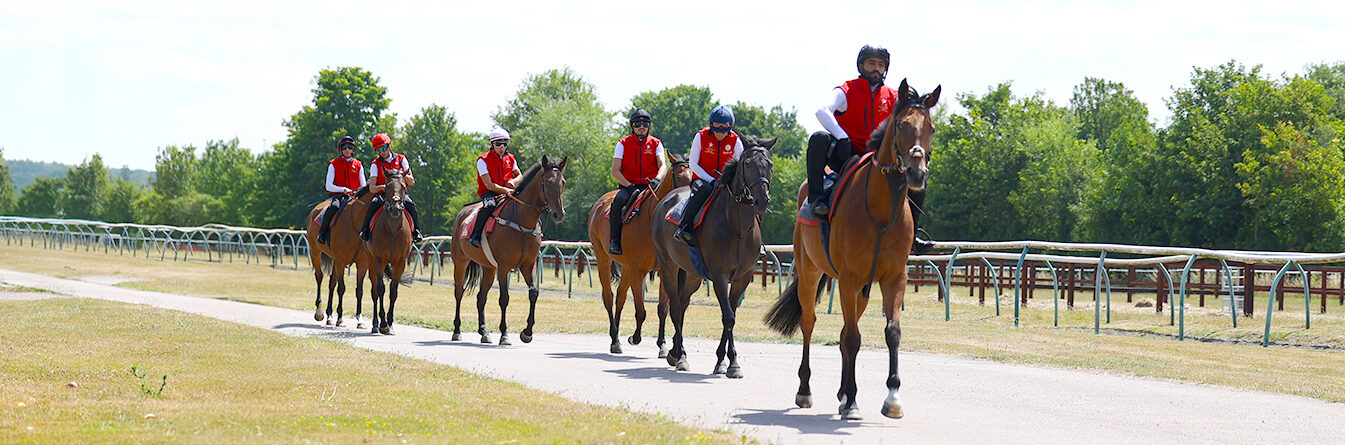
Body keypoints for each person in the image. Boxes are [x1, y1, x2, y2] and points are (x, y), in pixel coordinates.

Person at [806, 44, 934, 254]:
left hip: (881, 156)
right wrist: (842, 137)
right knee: (818, 139)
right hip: (848, 153)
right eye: (871, 63)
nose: (876, 68)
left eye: (881, 65)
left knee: (919, 171)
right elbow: (822, 111)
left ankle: (913, 234)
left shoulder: (894, 96)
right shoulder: (847, 89)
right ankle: (817, 199)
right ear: (861, 65)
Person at [673, 105, 743, 245]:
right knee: (704, 190)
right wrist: (711, 180)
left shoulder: (736, 141)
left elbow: (740, 167)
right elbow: (693, 164)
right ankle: (684, 227)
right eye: (717, 131)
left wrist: (727, 180)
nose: (720, 135)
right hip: (702, 180)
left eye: (723, 132)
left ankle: (755, 239)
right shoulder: (700, 136)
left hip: (726, 181)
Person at [607, 109, 668, 255]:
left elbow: (663, 166)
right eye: (638, 124)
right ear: (632, 126)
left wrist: (658, 179)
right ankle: (615, 241)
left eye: (645, 124)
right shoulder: (622, 144)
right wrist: (629, 185)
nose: (642, 127)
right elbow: (615, 171)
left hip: (652, 187)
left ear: (649, 126)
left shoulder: (656, 143)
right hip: (629, 187)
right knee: (617, 203)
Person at [358, 133, 424, 243]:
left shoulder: (402, 159)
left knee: (411, 205)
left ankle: (417, 231)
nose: (382, 152)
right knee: (374, 203)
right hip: (383, 194)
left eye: (384, 148)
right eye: (378, 150)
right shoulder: (375, 164)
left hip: (400, 194)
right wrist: (383, 187)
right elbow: (372, 188)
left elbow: (411, 181)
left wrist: (401, 176)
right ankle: (365, 230)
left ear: (389, 145)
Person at [468, 126, 522, 248]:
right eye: (498, 144)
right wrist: (507, 190)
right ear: (492, 144)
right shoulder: (483, 160)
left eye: (505, 144)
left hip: (509, 191)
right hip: (489, 193)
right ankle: (475, 235)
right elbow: (489, 185)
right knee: (489, 206)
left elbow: (520, 176)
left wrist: (513, 181)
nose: (502, 147)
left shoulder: (511, 158)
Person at [316, 135, 366, 244]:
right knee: (333, 207)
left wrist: (357, 191)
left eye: (350, 147)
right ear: (340, 150)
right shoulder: (333, 164)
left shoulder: (359, 165)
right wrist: (344, 190)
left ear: (353, 149)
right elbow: (328, 186)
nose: (347, 150)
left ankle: (367, 234)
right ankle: (322, 233)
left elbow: (364, 184)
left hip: (356, 196)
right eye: (344, 148)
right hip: (339, 196)